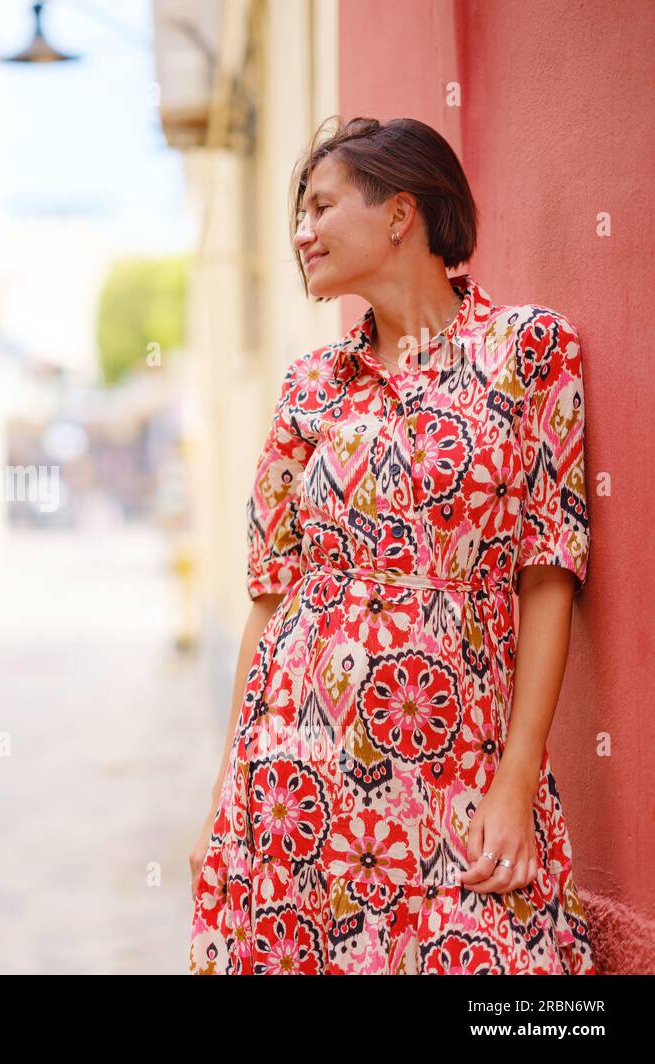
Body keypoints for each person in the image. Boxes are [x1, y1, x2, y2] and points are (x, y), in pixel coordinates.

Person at [188, 116, 595, 974]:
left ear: (401, 212)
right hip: (296, 777)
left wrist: (516, 782)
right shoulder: (310, 388)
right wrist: (229, 790)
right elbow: (270, 594)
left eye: (321, 207)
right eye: (298, 214)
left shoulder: (527, 351)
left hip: (458, 767)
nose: (300, 233)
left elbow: (550, 570)